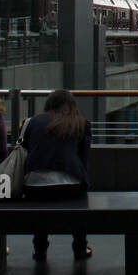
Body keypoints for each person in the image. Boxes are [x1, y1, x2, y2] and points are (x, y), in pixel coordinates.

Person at [21, 89, 93, 261]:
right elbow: (84, 159)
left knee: (40, 209)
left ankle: (40, 248)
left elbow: (28, 151)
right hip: (70, 186)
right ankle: (80, 247)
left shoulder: (32, 122)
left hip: (34, 186)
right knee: (79, 205)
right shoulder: (81, 123)